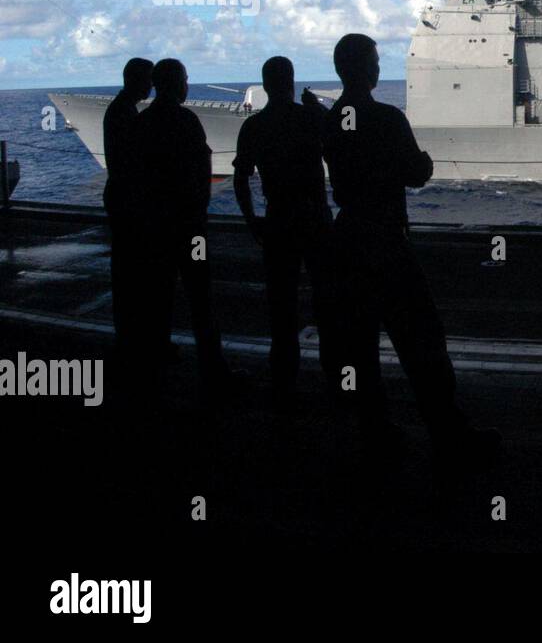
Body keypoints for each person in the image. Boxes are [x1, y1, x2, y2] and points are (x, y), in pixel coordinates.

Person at [322, 33, 498, 467]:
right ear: (363, 68)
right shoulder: (386, 118)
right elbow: (416, 172)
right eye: (374, 61)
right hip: (385, 239)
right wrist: (426, 163)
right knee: (423, 343)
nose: (380, 68)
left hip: (348, 238)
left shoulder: (331, 120)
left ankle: (375, 433)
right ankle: (447, 432)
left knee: (359, 347)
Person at [233, 56, 339, 411]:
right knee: (327, 302)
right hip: (316, 218)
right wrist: (320, 110)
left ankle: (283, 384)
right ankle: (337, 380)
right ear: (292, 81)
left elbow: (241, 178)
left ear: (264, 86)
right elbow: (340, 142)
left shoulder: (254, 126)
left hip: (278, 219)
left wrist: (251, 220)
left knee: (281, 307)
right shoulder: (310, 117)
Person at [127, 58, 231, 396]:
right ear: (176, 84)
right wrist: (199, 212)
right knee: (201, 298)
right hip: (190, 228)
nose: (188, 85)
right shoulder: (186, 120)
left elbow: (136, 176)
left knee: (157, 297)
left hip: (155, 227)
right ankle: (213, 371)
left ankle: (152, 371)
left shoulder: (141, 124)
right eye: (185, 79)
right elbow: (203, 168)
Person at [103, 58, 153, 362]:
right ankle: (132, 342)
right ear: (136, 79)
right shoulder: (125, 112)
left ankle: (132, 340)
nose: (151, 85)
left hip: (122, 197)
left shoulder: (122, 109)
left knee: (128, 274)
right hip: (128, 200)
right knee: (130, 275)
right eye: (147, 79)